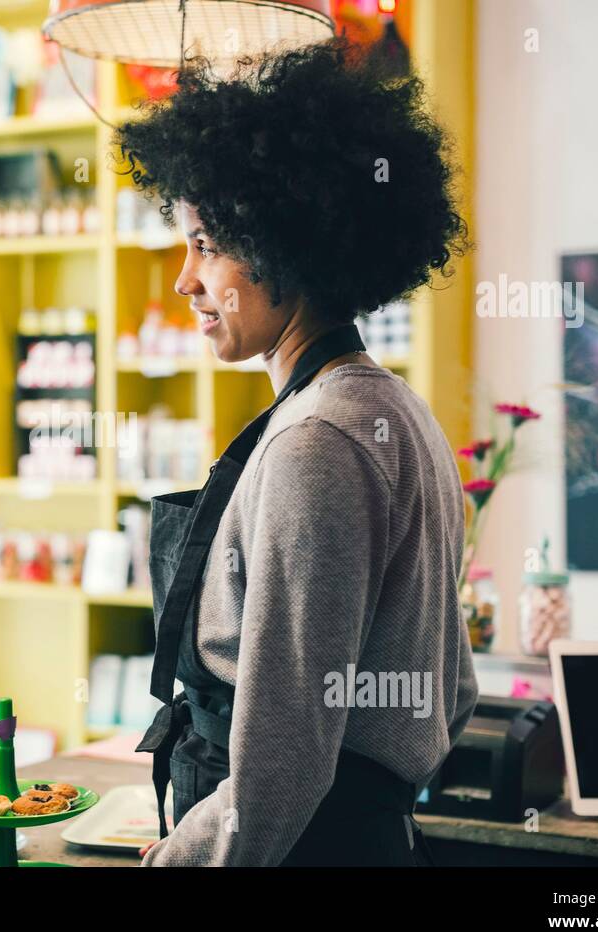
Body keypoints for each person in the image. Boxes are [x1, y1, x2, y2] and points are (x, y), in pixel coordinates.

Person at [113, 38, 479, 866]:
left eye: (206, 245)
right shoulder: (395, 411)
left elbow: (278, 773)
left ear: (288, 245)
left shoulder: (316, 442)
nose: (183, 280)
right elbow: (452, 693)